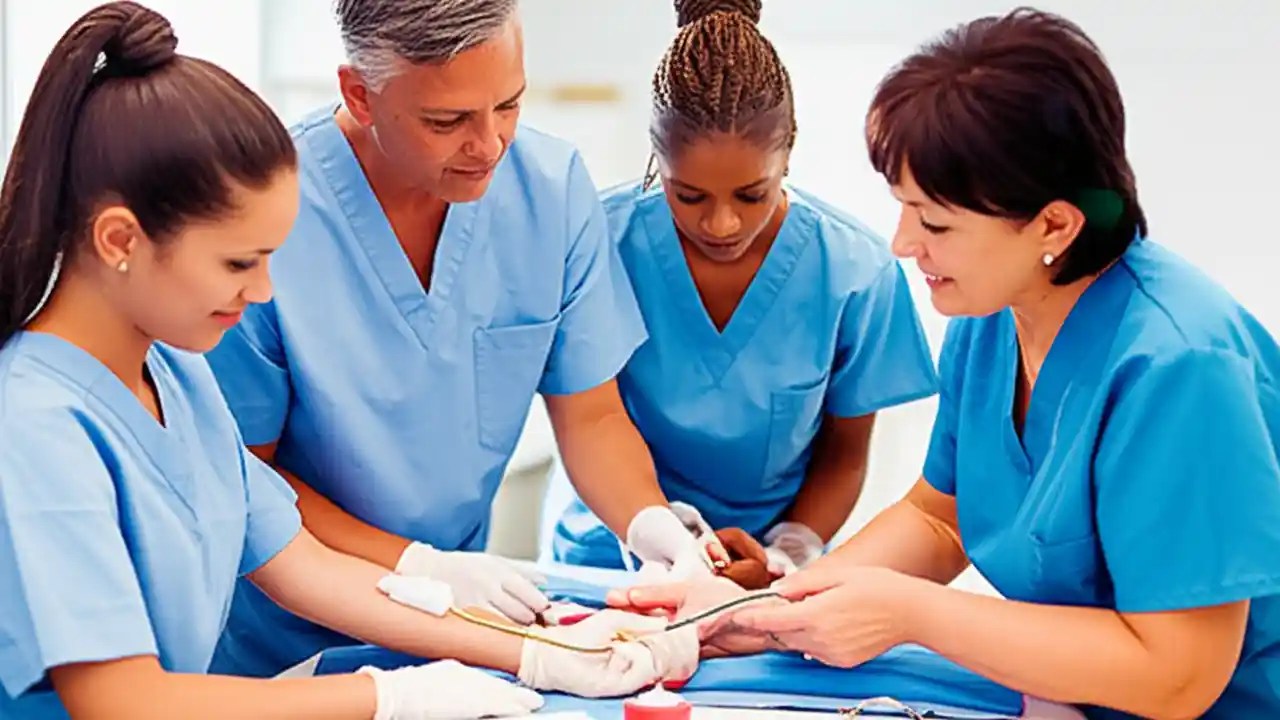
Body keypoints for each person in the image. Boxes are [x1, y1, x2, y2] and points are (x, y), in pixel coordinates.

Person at [0, 4, 697, 718]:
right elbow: (122, 700)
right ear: (120, 241)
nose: (264, 292)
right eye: (239, 263)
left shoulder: (175, 381)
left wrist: (542, 652)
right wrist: (386, 695)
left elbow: (310, 569)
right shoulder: (37, 423)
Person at [609, 8, 1280, 720]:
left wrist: (911, 613)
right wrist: (772, 609)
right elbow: (940, 518)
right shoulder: (994, 315)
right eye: (903, 208)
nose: (902, 244)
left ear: (1053, 224)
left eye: (933, 222)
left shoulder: (1180, 366)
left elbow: (1179, 674)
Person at [204, 0, 724, 678]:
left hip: (466, 631)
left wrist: (649, 523)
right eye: (446, 122)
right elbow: (245, 473)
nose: (490, 146)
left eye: (508, 105)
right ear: (360, 95)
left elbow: (592, 417)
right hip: (281, 639)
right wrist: (414, 565)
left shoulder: (550, 192)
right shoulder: (271, 215)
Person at [547, 0, 937, 584]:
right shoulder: (598, 245)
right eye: (689, 195)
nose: (721, 224)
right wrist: (659, 535)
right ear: (657, 157)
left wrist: (787, 554)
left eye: (752, 194)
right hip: (610, 553)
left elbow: (844, 452)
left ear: (788, 153)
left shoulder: (855, 273)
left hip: (765, 569)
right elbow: (590, 418)